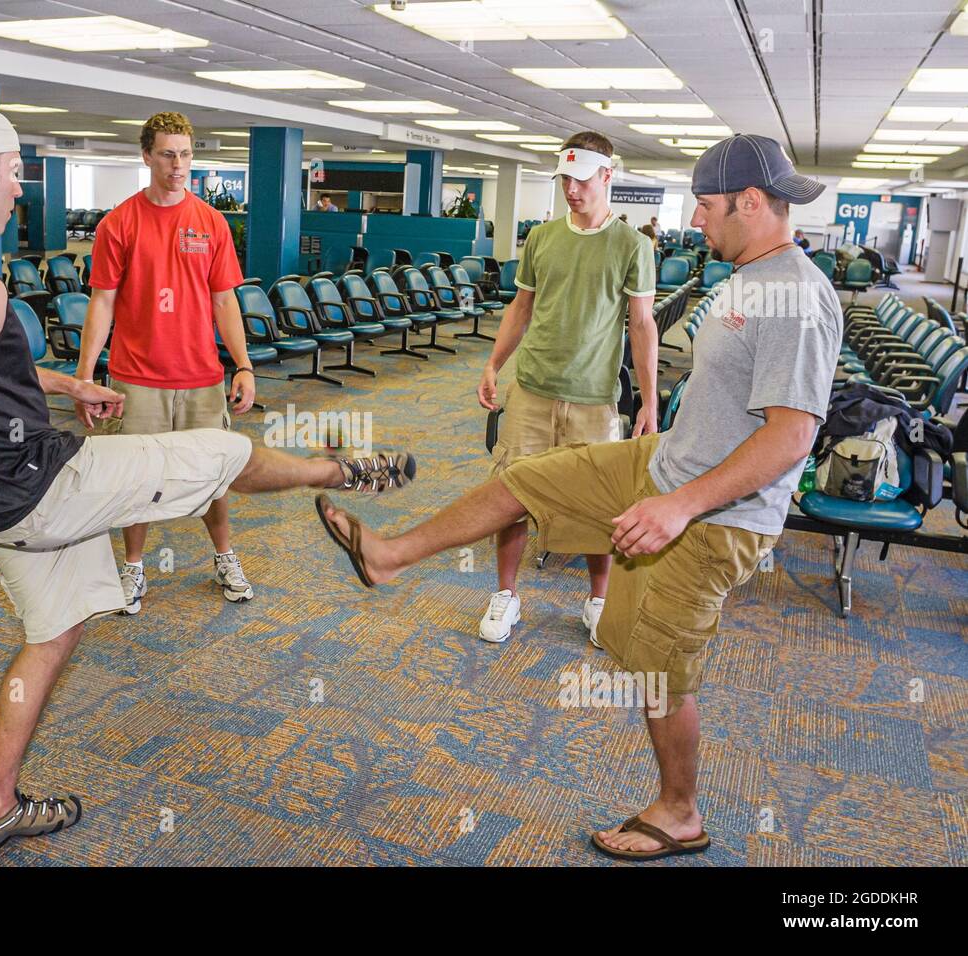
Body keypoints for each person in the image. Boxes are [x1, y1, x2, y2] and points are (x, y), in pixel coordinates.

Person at [0, 101, 419, 856]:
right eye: (11, 176)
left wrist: (67, 386)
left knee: (54, 633)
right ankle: (341, 471)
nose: (18, 191)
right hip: (40, 487)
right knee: (221, 451)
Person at [315, 132, 842, 860]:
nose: (697, 217)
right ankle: (388, 555)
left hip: (718, 515)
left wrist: (681, 504)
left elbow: (790, 437)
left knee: (660, 668)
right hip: (663, 466)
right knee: (526, 478)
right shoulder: (750, 271)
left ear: (752, 203)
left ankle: (680, 810)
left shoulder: (795, 297)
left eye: (709, 204)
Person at [475, 131, 658, 645]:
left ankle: (598, 602)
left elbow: (642, 325)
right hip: (532, 388)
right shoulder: (541, 239)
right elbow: (522, 308)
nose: (571, 191)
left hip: (594, 397)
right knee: (511, 493)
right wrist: (493, 363)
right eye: (564, 180)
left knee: (598, 505)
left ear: (606, 176)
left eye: (580, 180)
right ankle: (506, 595)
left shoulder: (632, 245)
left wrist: (648, 398)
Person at [77, 111, 260, 613]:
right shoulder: (120, 223)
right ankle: (134, 568)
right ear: (146, 156)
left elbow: (225, 301)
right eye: (166, 154)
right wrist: (85, 375)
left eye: (184, 154)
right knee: (137, 481)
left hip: (201, 378)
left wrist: (242, 365)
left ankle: (224, 556)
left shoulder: (211, 222)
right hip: (137, 379)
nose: (177, 165)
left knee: (214, 477)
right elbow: (103, 302)